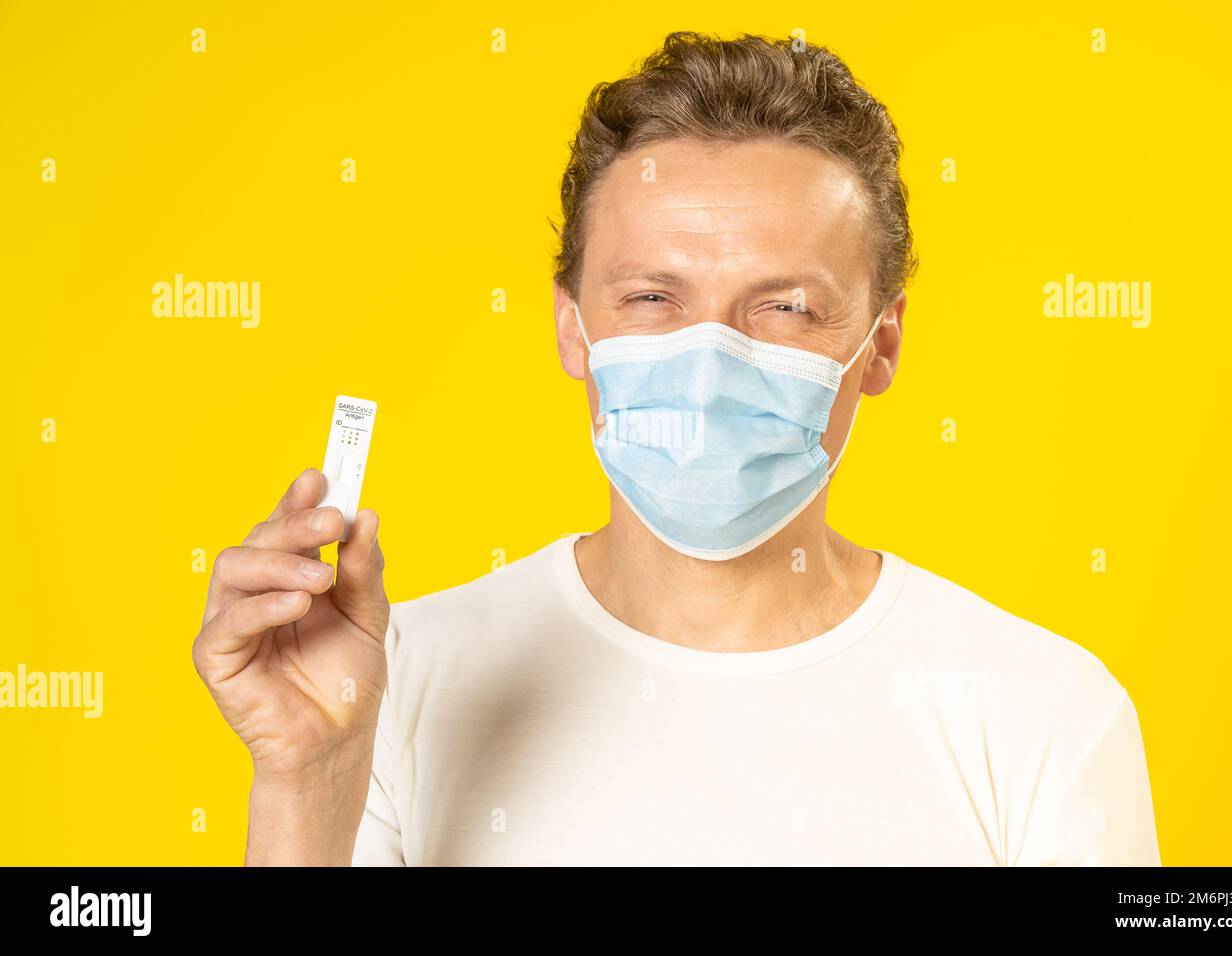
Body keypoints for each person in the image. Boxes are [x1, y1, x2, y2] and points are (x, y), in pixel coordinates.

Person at [192, 32, 1160, 866]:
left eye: (785, 307)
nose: (707, 364)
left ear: (882, 343)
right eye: (653, 298)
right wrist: (305, 782)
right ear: (573, 329)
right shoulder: (389, 681)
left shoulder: (1042, 712)